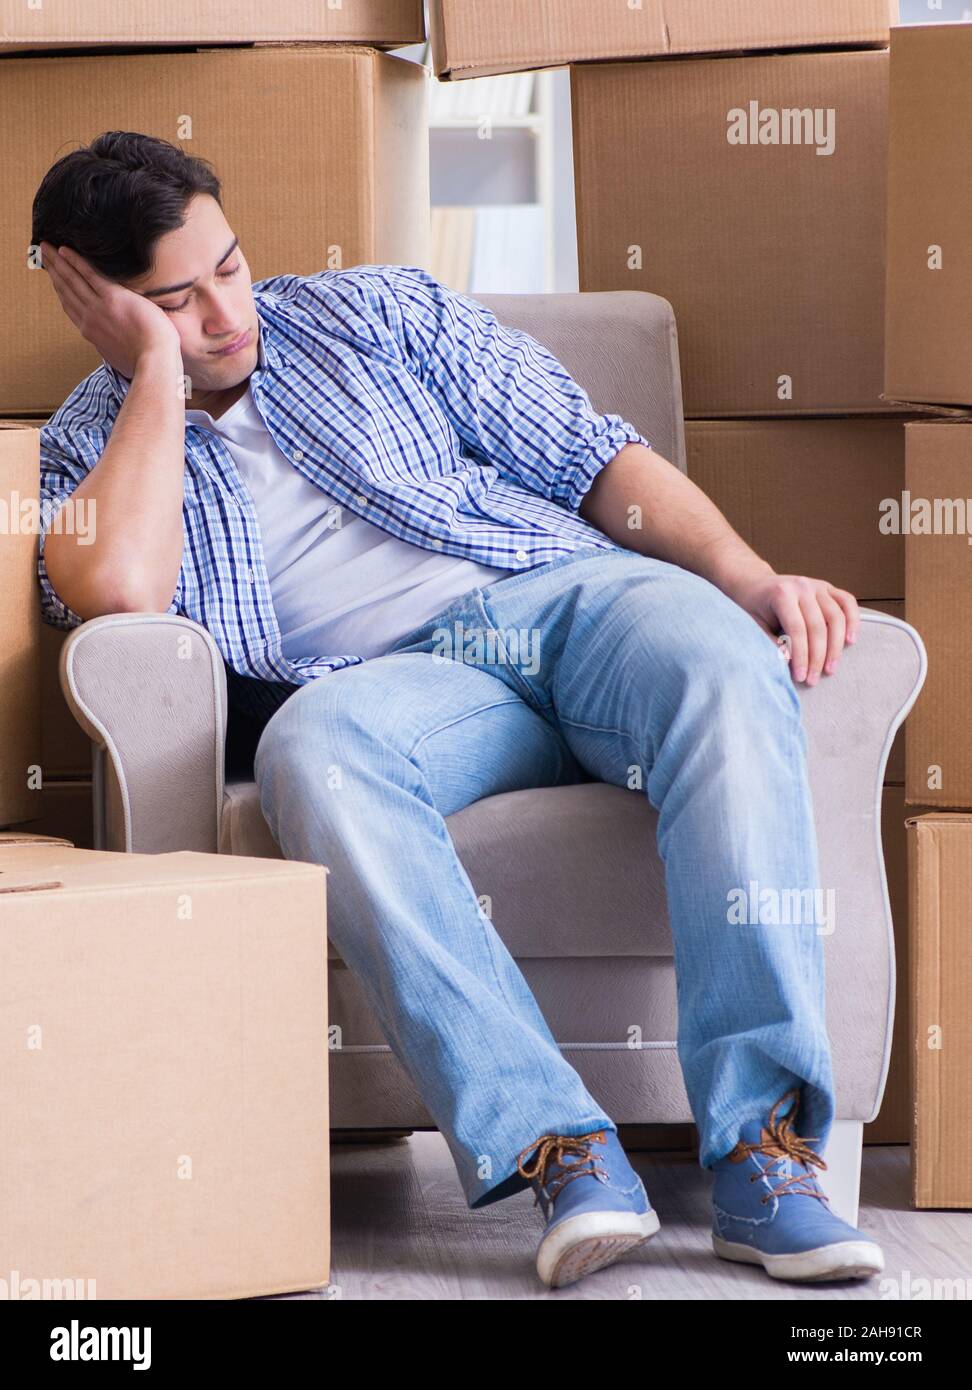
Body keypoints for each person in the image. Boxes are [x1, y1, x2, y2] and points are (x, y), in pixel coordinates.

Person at [32, 132, 884, 1291]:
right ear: (98, 305)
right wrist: (156, 377)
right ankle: (561, 1147)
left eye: (229, 267)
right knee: (313, 751)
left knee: (723, 660)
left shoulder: (379, 312)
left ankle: (767, 1154)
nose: (227, 314)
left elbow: (591, 457)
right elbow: (121, 593)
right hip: (401, 692)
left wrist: (747, 578)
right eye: (174, 299)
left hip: (564, 598)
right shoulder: (93, 437)